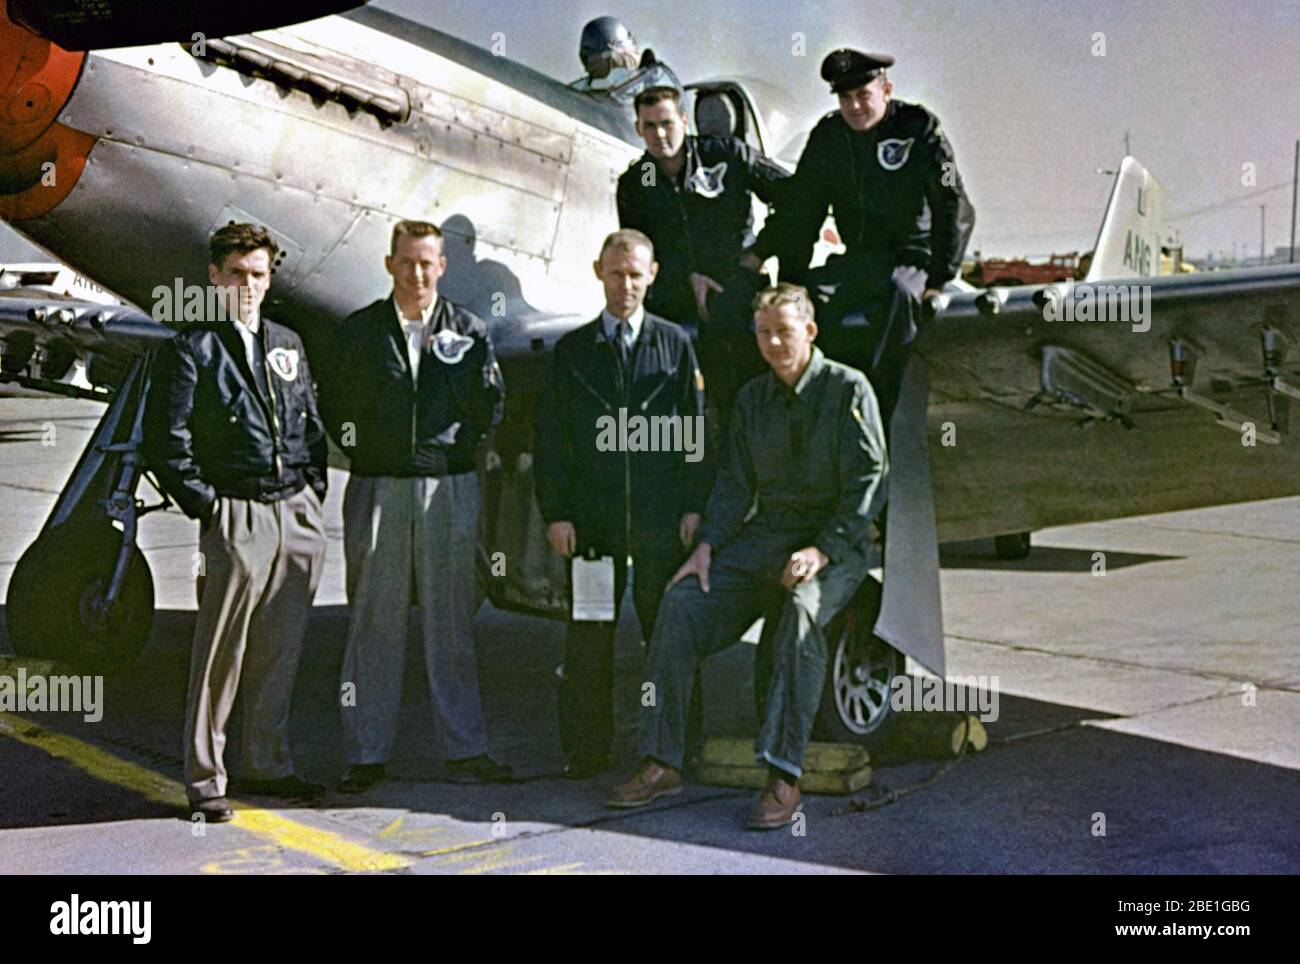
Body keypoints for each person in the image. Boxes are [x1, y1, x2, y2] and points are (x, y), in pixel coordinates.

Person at [605, 283, 888, 830]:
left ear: (810, 331)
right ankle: (662, 759)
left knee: (802, 616)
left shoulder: (848, 389)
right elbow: (735, 484)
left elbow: (869, 482)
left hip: (838, 541)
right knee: (682, 603)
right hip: (768, 534)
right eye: (764, 332)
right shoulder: (753, 398)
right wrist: (706, 548)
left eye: (784, 331)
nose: (774, 342)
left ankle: (783, 773)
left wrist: (822, 550)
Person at [144, 222, 329, 822]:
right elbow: (166, 443)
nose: (248, 285)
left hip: (295, 510)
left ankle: (269, 762)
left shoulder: (288, 344)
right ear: (214, 279)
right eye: (237, 275)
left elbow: (309, 420)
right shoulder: (189, 350)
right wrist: (210, 506)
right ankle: (205, 779)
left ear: (270, 279)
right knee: (219, 652)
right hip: (236, 511)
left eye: (258, 275)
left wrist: (312, 489)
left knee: (282, 647)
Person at [320, 220, 509, 792]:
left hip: (446, 488)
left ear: (443, 267)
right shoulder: (360, 332)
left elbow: (489, 404)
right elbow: (335, 404)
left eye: (427, 263)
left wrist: (449, 455)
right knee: (373, 619)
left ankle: (465, 748)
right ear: (389, 265)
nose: (417, 273)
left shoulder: (470, 331)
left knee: (450, 620)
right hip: (378, 485)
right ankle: (365, 752)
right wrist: (369, 451)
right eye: (407, 262)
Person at [533, 229, 708, 779]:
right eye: (616, 273)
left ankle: (677, 747)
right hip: (594, 526)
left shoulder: (675, 346)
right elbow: (551, 438)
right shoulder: (574, 351)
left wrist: (692, 506)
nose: (625, 284)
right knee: (588, 638)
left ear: (652, 275)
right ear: (598, 273)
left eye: (635, 274)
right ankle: (584, 752)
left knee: (668, 635)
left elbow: (693, 430)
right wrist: (557, 511)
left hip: (660, 524)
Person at [744, 48, 975, 426]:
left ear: (886, 91)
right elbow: (803, 209)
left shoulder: (919, 128)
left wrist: (939, 277)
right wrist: (789, 276)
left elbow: (954, 202)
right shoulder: (829, 136)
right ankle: (818, 407)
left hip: (911, 257)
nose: (854, 106)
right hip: (859, 259)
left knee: (900, 298)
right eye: (845, 97)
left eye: (863, 95)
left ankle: (878, 415)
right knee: (809, 300)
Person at [617, 82, 789, 427]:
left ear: (684, 121)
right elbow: (639, 252)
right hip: (674, 290)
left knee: (733, 325)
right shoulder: (638, 182)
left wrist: (759, 253)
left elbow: (796, 196)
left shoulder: (726, 155)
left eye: (667, 123)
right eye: (649, 126)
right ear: (638, 129)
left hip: (736, 279)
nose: (659, 135)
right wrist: (685, 280)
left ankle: (752, 422)